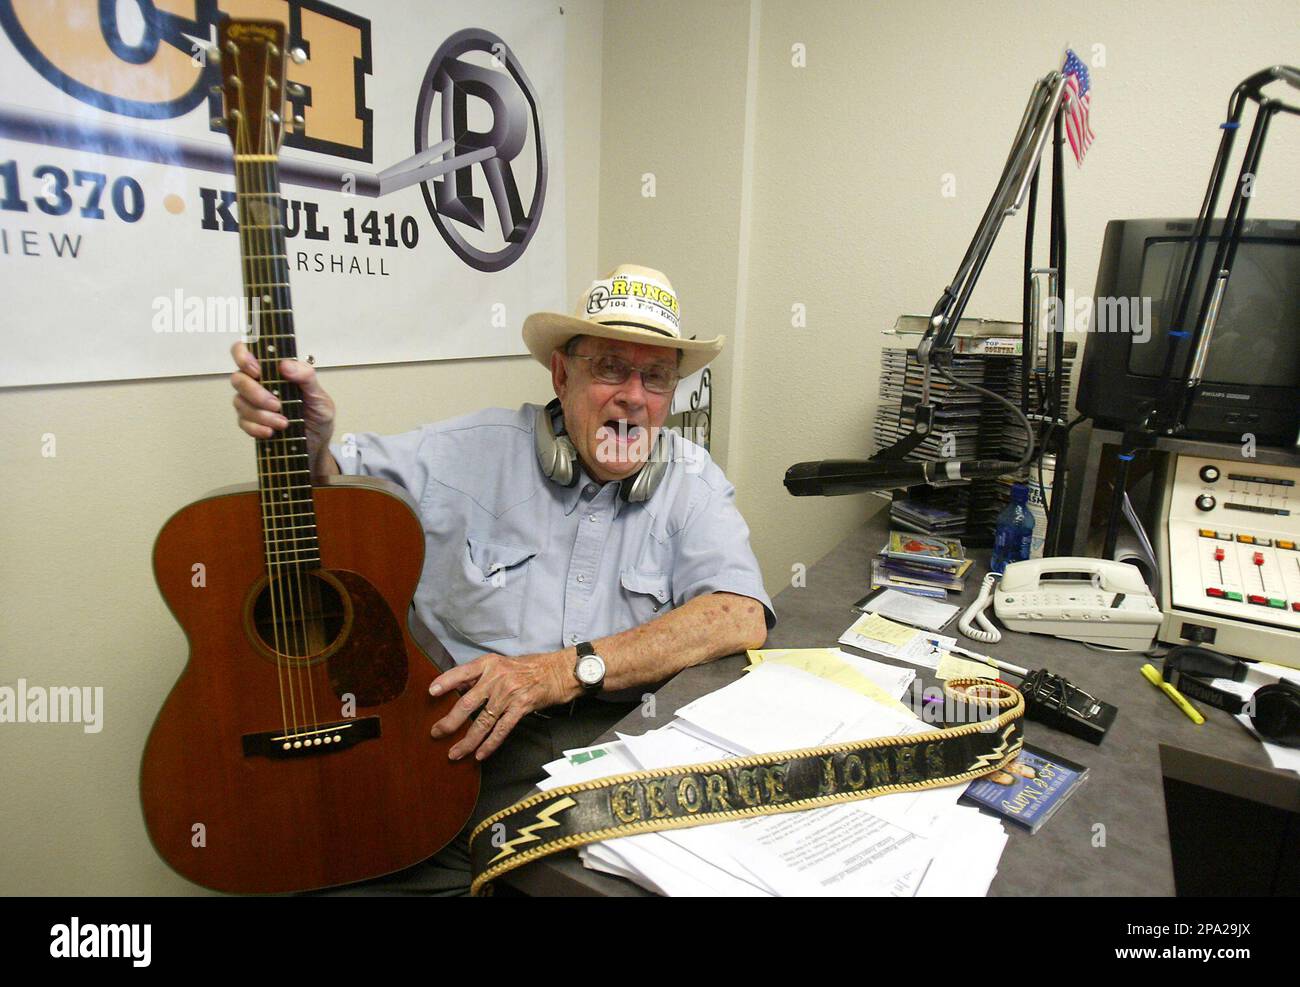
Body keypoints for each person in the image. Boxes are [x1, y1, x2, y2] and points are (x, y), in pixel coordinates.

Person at [228, 263, 774, 893]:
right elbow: (334, 499)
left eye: (655, 377)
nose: (634, 396)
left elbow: (740, 613)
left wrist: (566, 670)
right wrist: (310, 441)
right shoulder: (463, 452)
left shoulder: (690, 479)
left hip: (604, 751)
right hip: (449, 747)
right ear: (562, 375)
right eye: (610, 369)